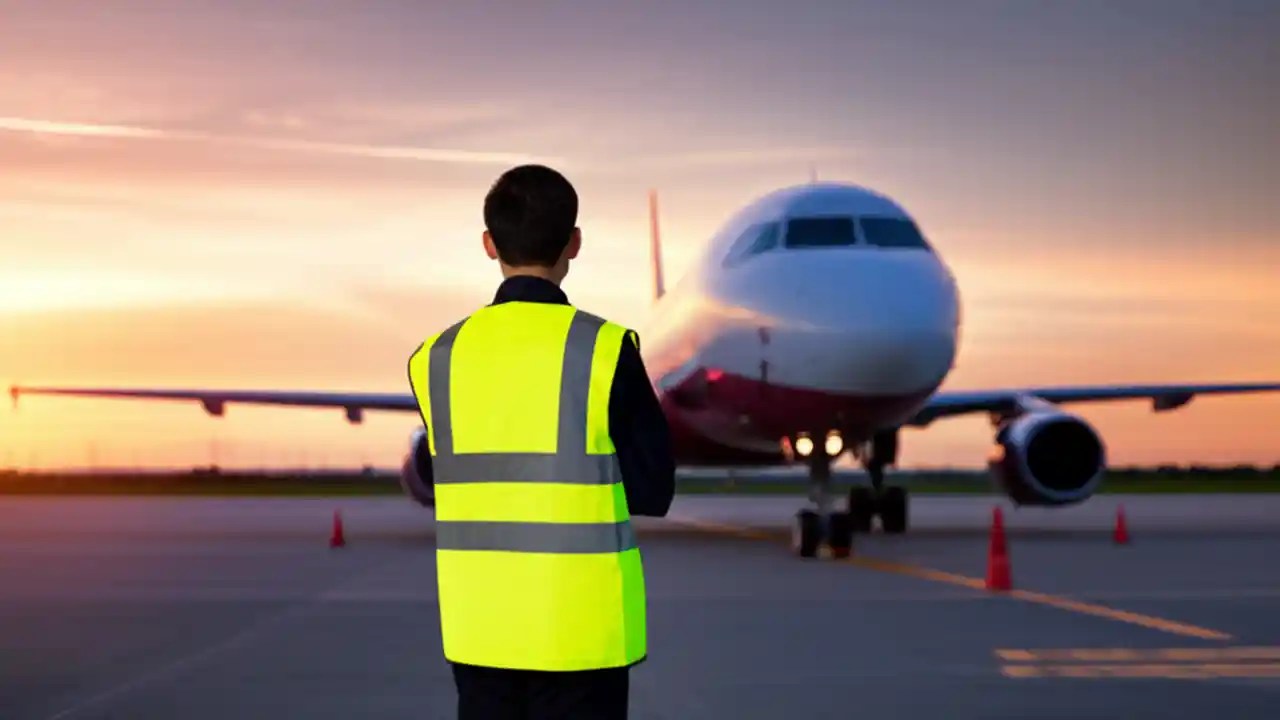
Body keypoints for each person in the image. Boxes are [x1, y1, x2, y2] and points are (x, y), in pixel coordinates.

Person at [407, 164, 675, 720]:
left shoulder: (436, 356)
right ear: (573, 243)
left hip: (481, 631)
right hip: (581, 632)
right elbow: (653, 490)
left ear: (489, 245)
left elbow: (434, 477)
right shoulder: (603, 349)